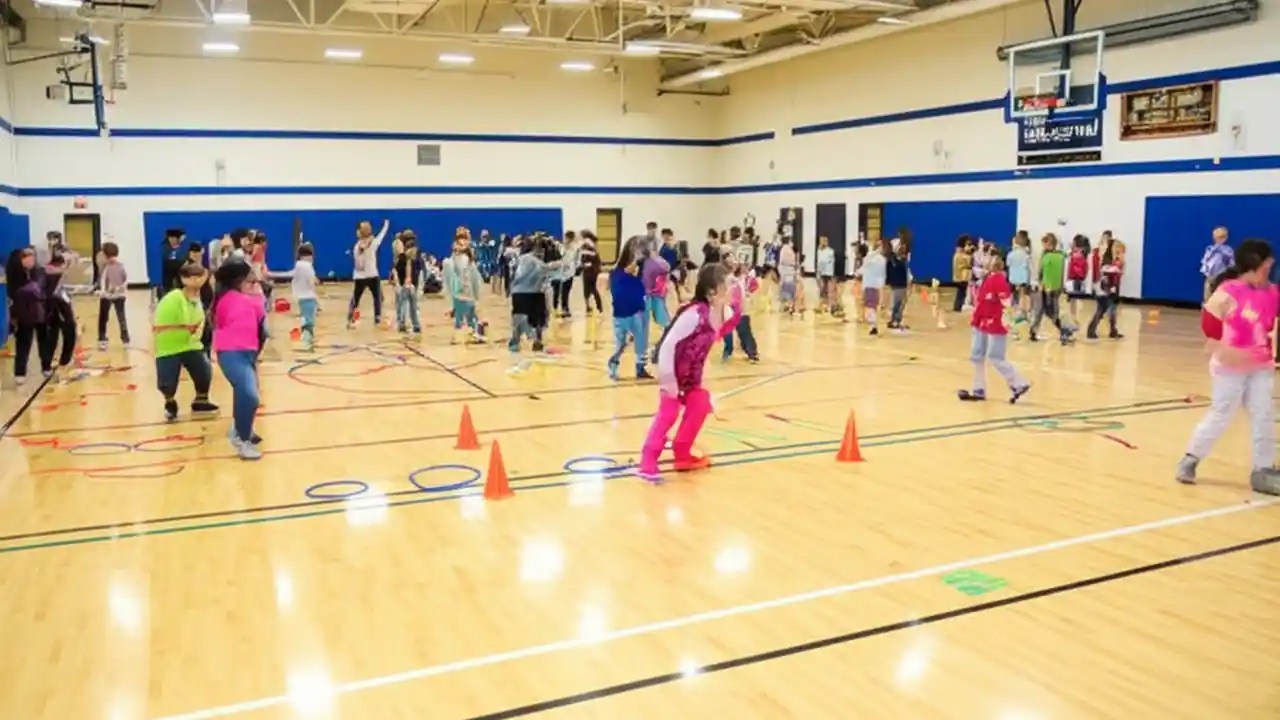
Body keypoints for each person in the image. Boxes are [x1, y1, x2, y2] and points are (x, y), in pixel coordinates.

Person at [1177, 239, 1280, 495]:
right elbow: (1209, 324)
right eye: (1268, 261)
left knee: (1264, 414)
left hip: (1261, 364)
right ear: (1257, 263)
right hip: (1229, 368)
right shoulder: (1230, 290)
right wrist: (1224, 349)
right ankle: (1190, 458)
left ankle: (1264, 469)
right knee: (1222, 413)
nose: (1271, 265)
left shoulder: (1272, 292)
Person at [636, 263, 739, 483]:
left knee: (701, 404)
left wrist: (742, 287)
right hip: (672, 371)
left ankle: (682, 453)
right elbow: (668, 345)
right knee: (668, 413)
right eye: (725, 284)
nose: (729, 288)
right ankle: (647, 461)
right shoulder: (693, 314)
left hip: (691, 378)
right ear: (712, 291)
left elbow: (737, 314)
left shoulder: (720, 313)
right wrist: (669, 380)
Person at [958, 253, 1031, 403]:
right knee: (977, 354)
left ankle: (1018, 382)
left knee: (995, 356)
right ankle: (978, 388)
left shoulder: (998, 280)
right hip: (981, 321)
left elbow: (1007, 303)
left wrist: (1013, 320)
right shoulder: (985, 278)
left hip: (995, 322)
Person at [212, 261, 266, 460]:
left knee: (246, 394)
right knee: (250, 395)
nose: (254, 281)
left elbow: (262, 324)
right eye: (249, 278)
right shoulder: (227, 300)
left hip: (250, 352)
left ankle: (240, 428)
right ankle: (242, 440)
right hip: (231, 353)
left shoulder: (253, 298)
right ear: (238, 281)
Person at [153, 263, 220, 421]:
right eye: (194, 277)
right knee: (167, 384)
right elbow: (157, 326)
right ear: (184, 279)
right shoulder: (174, 298)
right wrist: (184, 327)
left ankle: (201, 399)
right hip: (169, 345)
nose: (199, 280)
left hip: (192, 344)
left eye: (201, 276)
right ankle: (170, 401)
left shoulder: (201, 296)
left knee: (204, 371)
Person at [5, 248, 53, 384]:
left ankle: (46, 366)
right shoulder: (15, 277)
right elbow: (13, 297)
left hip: (41, 313)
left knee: (44, 340)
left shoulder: (39, 272)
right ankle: (20, 372)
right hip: (24, 314)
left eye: (32, 255)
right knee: (23, 343)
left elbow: (46, 290)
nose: (30, 258)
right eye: (26, 256)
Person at [607, 238, 653, 381]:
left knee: (641, 340)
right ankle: (613, 365)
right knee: (620, 344)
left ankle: (641, 367)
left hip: (638, 310)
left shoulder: (642, 273)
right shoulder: (617, 272)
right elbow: (628, 270)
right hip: (621, 313)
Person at [269, 244, 319, 350]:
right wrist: (315, 281)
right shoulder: (307, 266)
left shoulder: (298, 265)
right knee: (309, 320)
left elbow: (289, 274)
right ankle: (307, 341)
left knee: (305, 319)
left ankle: (307, 339)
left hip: (299, 297)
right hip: (308, 297)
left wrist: (272, 274)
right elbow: (311, 281)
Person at [1029, 233, 1074, 345]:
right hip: (1055, 288)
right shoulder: (1061, 256)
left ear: (1049, 244)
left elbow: (1041, 272)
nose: (1043, 246)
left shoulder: (1047, 256)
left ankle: (1063, 331)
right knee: (1050, 312)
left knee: (1045, 311)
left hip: (1047, 288)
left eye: (1044, 244)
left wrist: (1039, 282)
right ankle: (1035, 331)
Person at [347, 219, 390, 327]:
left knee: (356, 299)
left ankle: (350, 318)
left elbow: (358, 264)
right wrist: (386, 225)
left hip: (359, 277)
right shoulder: (373, 243)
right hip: (372, 275)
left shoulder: (356, 246)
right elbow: (382, 235)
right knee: (377, 299)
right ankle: (377, 319)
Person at [444, 232, 485, 343]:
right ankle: (468, 333)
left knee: (467, 315)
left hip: (465, 293)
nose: (457, 246)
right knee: (463, 316)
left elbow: (470, 278)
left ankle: (472, 332)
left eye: (462, 244)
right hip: (461, 293)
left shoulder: (465, 259)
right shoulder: (454, 260)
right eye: (458, 243)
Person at [721, 255, 760, 362]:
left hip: (741, 309)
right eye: (730, 263)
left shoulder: (745, 277)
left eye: (734, 262)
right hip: (728, 308)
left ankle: (752, 352)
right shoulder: (726, 278)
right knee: (728, 332)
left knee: (744, 331)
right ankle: (728, 350)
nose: (733, 264)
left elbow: (753, 287)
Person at [1087, 235, 1125, 340]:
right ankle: (1091, 331)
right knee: (1102, 310)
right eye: (1118, 252)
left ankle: (1112, 330)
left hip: (1110, 291)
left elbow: (1116, 278)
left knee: (1110, 311)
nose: (1120, 255)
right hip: (1105, 291)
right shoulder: (1108, 264)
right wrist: (1111, 290)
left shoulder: (1115, 263)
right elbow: (1107, 278)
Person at [97, 241, 131, 349]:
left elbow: (125, 280)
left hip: (118, 296)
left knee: (121, 317)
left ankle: (125, 338)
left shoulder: (120, 266)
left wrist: (119, 288)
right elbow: (102, 281)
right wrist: (104, 291)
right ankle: (102, 338)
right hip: (106, 296)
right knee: (103, 317)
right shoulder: (104, 266)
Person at [861, 240, 887, 336]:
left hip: (870, 285)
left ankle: (873, 325)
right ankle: (873, 325)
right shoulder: (879, 259)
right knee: (872, 307)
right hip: (874, 285)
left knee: (870, 307)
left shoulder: (873, 258)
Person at [1200, 226, 1233, 302]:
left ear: (1226, 238)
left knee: (1219, 295)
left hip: (1221, 276)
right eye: (1217, 237)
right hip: (1210, 275)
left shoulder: (1228, 250)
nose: (1219, 239)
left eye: (1222, 237)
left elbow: (1231, 262)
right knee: (1207, 295)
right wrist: (1205, 270)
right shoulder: (1210, 249)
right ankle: (1206, 310)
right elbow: (1205, 260)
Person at [885, 243, 910, 331]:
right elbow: (889, 272)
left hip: (903, 284)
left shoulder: (903, 261)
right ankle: (893, 320)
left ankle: (897, 320)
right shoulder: (892, 261)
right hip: (896, 284)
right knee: (896, 303)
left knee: (901, 304)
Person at [579, 230, 603, 314]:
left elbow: (585, 258)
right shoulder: (593, 245)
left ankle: (592, 306)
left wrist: (583, 264)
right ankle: (596, 307)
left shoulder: (586, 245)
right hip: (593, 270)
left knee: (589, 289)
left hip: (589, 271)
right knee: (592, 289)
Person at [778, 240, 799, 314]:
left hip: (788, 272)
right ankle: (788, 305)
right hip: (787, 272)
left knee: (787, 289)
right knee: (788, 289)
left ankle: (788, 305)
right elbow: (784, 261)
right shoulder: (786, 249)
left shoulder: (787, 250)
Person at [816, 236, 836, 314]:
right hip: (821, 273)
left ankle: (830, 305)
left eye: (823, 241)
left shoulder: (830, 251)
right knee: (822, 290)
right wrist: (818, 272)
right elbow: (819, 262)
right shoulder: (819, 251)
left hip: (828, 273)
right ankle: (823, 305)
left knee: (829, 290)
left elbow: (826, 262)